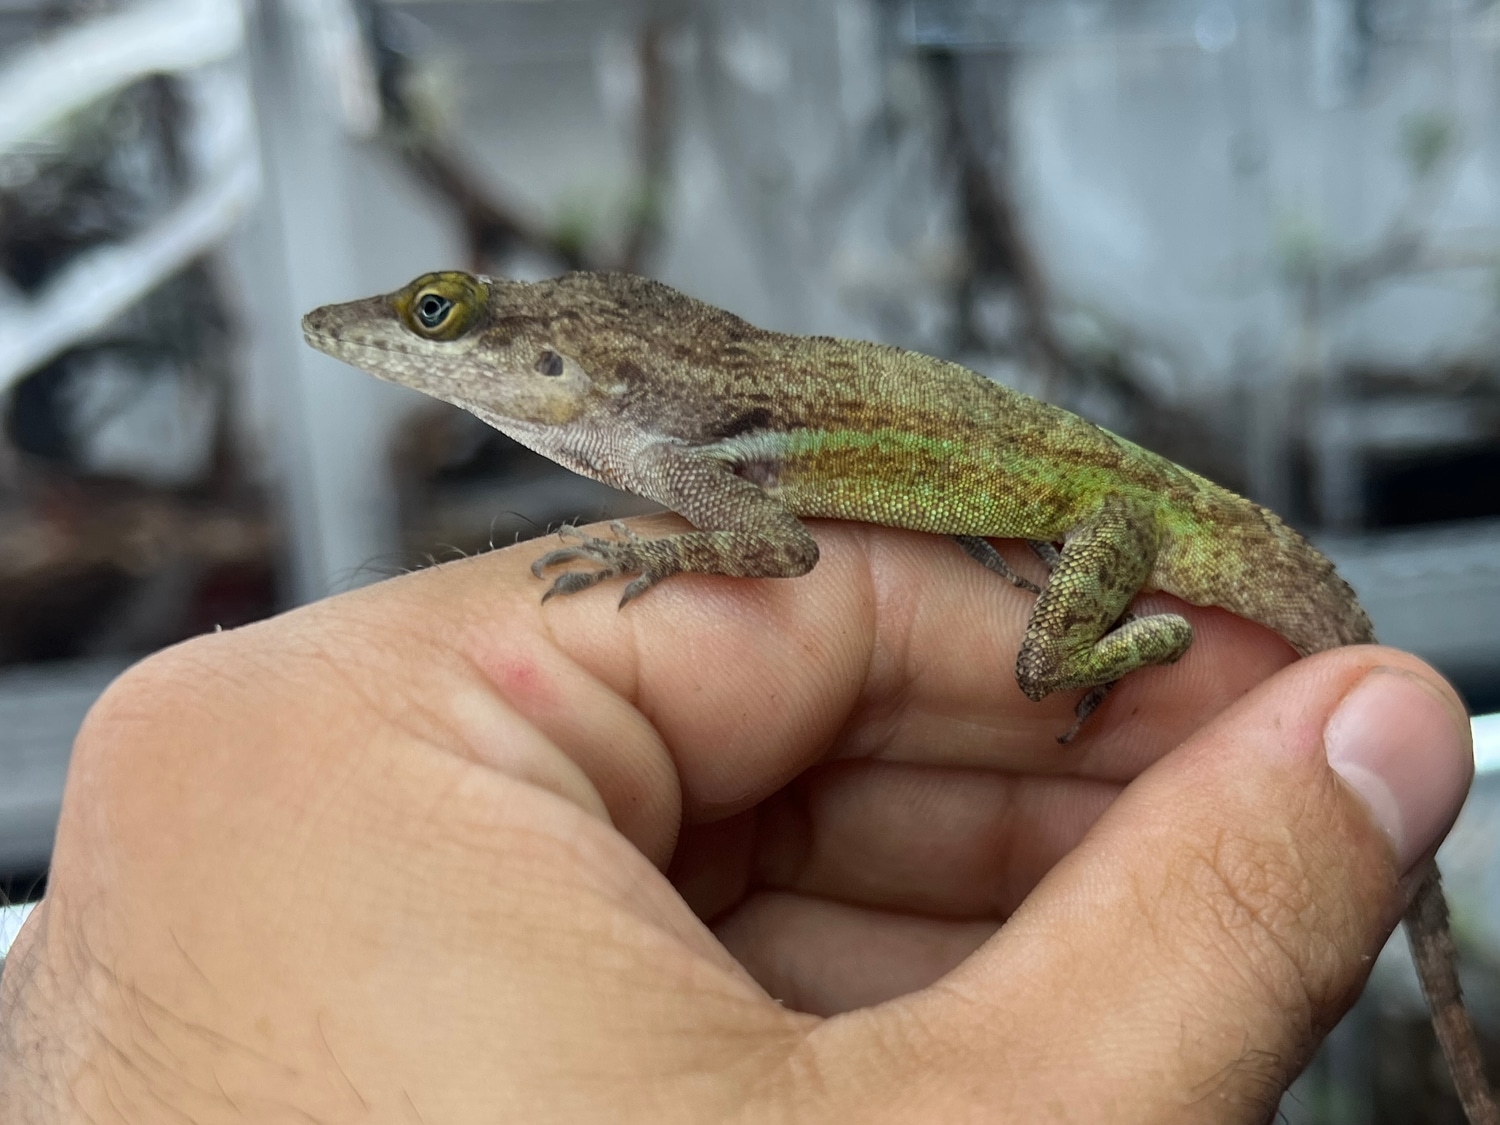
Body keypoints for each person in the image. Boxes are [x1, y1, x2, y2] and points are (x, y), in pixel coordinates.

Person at [0, 518, 1473, 1122]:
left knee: (1043, 665)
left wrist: (662, 543)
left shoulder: (709, 429)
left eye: (448, 318)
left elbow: (768, 546)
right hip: (1108, 513)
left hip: (1135, 525)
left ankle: (1141, 652)